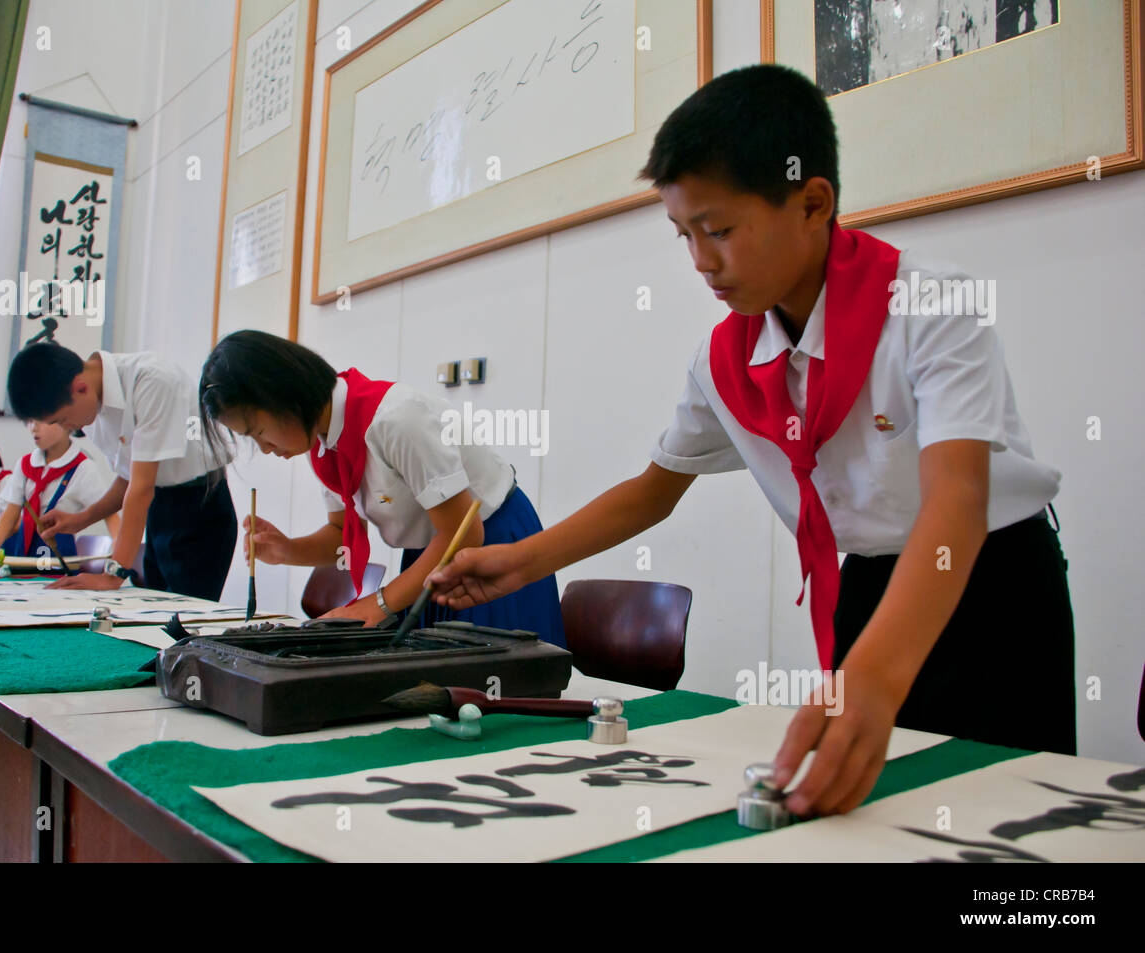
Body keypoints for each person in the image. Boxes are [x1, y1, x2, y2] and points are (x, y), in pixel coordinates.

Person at [429, 64, 1074, 816]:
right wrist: (517, 562)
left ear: (813, 202)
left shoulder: (930, 304)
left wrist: (873, 676)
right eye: (684, 234)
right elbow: (652, 491)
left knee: (1012, 820)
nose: (701, 260)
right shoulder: (726, 359)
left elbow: (958, 499)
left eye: (720, 230)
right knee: (876, 822)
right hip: (868, 589)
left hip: (990, 588)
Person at [198, 329, 565, 644]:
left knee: (498, 702)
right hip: (432, 559)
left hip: (489, 546)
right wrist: (286, 550)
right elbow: (340, 537)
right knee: (441, 702)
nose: (263, 448)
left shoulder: (394, 420)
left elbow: (463, 533)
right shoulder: (324, 443)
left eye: (258, 432)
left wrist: (381, 602)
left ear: (283, 397)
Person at [6, 342, 236, 599]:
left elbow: (140, 488)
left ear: (79, 388)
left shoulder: (151, 381)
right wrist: (81, 519)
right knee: (154, 616)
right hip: (159, 509)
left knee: (184, 621)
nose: (67, 429)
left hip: (200, 507)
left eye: (61, 420)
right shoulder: (94, 405)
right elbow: (129, 478)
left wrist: (112, 574)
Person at [0, 419, 118, 560]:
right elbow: (11, 512)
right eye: (30, 420)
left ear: (67, 422)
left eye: (41, 420)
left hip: (58, 562)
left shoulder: (83, 467)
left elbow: (108, 512)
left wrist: (120, 556)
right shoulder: (25, 465)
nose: (33, 428)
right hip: (24, 559)